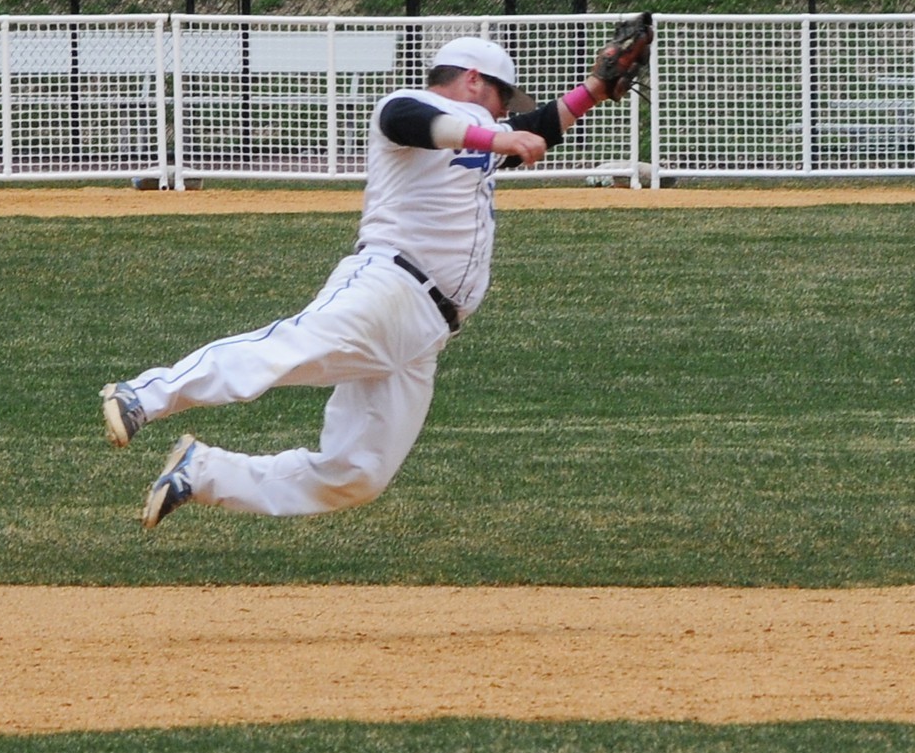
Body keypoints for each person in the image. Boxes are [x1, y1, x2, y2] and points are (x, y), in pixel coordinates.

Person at [101, 35, 621, 528]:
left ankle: (203, 472)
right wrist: (497, 134)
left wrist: (594, 90)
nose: (507, 111)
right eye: (503, 98)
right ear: (472, 79)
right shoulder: (410, 106)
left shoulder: (477, 138)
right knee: (292, 348)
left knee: (359, 472)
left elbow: (538, 125)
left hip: (426, 332)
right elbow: (411, 120)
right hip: (388, 287)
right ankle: (144, 394)